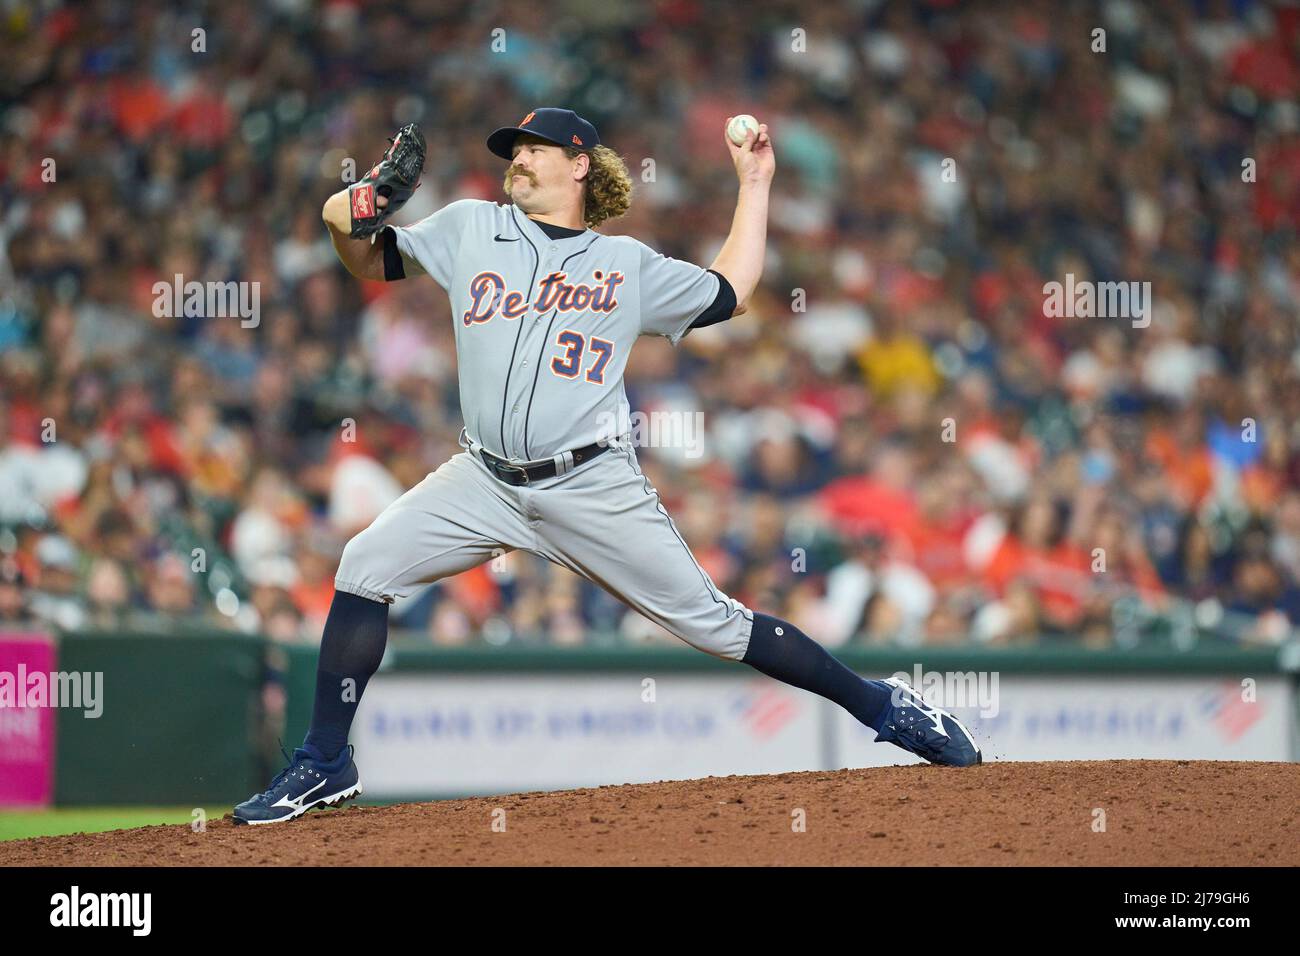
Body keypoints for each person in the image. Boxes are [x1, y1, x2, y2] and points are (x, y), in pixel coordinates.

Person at [233, 108, 980, 825]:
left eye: (533, 147)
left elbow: (732, 289)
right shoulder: (469, 226)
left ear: (579, 164)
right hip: (484, 479)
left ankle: (885, 708)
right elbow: (359, 249)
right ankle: (326, 760)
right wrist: (366, 200)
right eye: (512, 149)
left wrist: (753, 185)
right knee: (364, 564)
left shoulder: (626, 265)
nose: (516, 158)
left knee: (719, 627)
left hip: (589, 482)